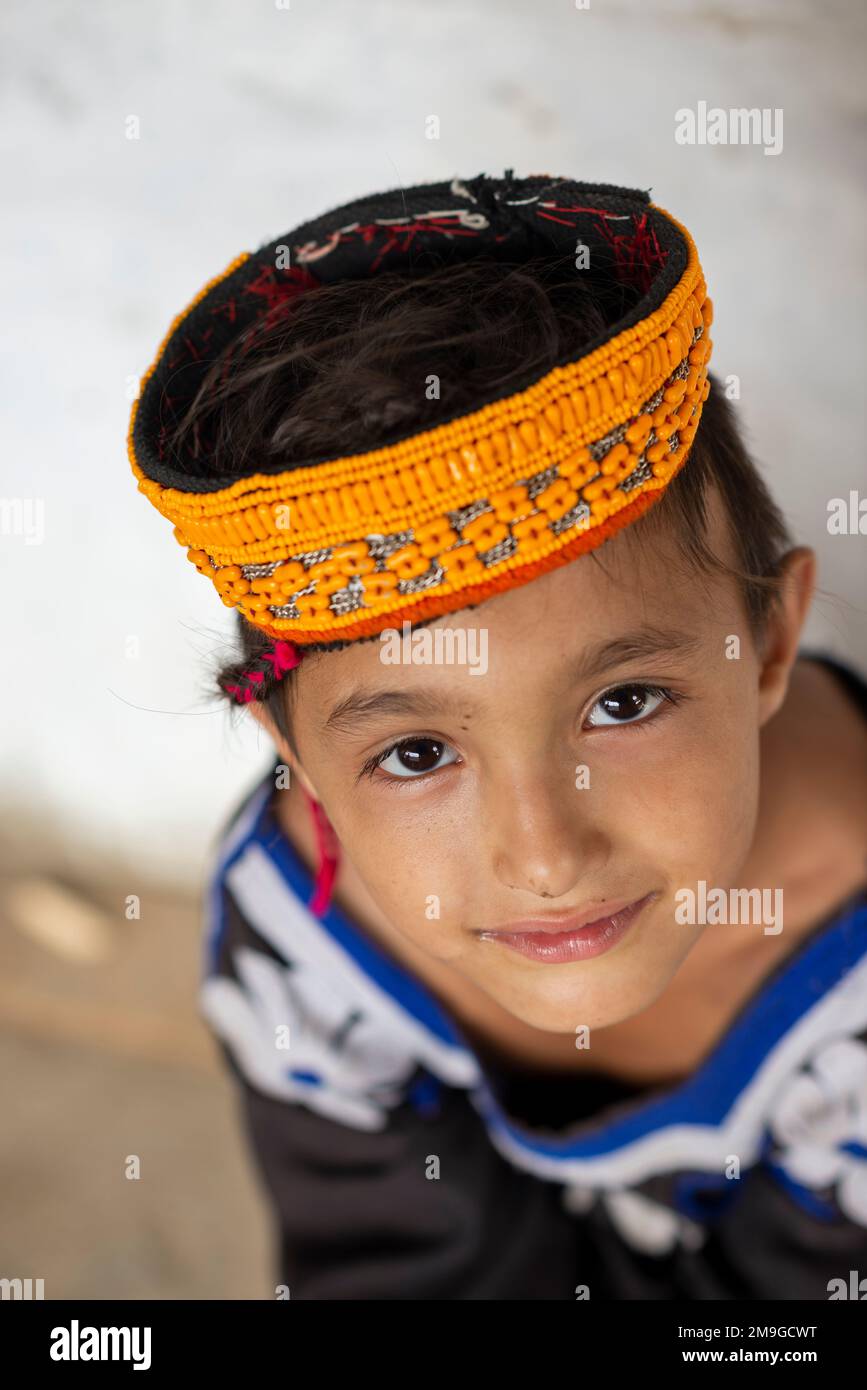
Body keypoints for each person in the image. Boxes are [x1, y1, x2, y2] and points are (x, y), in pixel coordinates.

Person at [128, 172, 867, 1299]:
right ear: (299, 762)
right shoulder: (305, 949)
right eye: (415, 754)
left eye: (623, 703)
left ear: (768, 644)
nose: (544, 857)